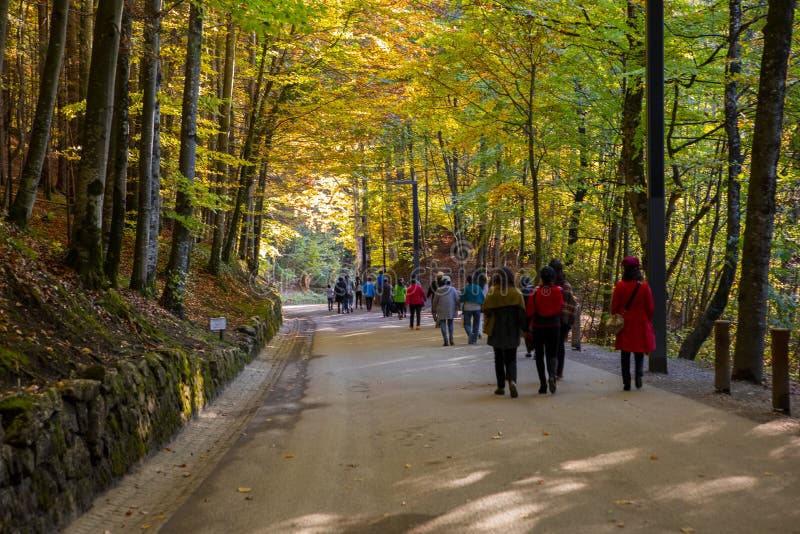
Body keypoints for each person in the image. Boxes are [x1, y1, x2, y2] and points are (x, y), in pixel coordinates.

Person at [611, 256, 655, 391]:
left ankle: (626, 381)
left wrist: (618, 315)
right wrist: (647, 320)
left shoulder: (620, 286)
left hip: (625, 323)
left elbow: (614, 307)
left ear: (625, 270)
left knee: (625, 353)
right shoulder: (644, 286)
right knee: (639, 351)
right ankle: (638, 375)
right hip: (640, 323)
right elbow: (650, 307)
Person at [482, 266, 527, 398]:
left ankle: (500, 386)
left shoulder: (492, 292)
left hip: (496, 329)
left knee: (499, 358)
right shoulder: (517, 293)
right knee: (511, 358)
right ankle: (512, 380)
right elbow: (521, 314)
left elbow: (486, 309)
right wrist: (525, 329)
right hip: (512, 329)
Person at [526, 265, 564, 394]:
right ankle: (552, 376)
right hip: (554, 326)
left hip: (539, 327)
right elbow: (561, 308)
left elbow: (530, 311)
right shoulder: (558, 290)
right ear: (553, 277)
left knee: (540, 355)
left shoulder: (535, 292)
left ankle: (543, 384)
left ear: (541, 277)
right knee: (552, 354)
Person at [549, 259, 579, 378]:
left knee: (552, 345)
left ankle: (553, 369)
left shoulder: (549, 285)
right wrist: (570, 319)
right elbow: (572, 304)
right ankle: (559, 371)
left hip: (552, 319)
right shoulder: (566, 285)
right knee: (560, 345)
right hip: (564, 320)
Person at [432, 275, 460, 346]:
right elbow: (457, 299)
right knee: (450, 324)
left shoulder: (439, 290)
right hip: (451, 309)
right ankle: (451, 339)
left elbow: (435, 301)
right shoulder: (453, 289)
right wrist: (459, 307)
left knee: (443, 324)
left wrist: (434, 310)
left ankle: (446, 341)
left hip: (441, 310)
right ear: (449, 282)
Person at [460, 274, 485, 344]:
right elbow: (483, 298)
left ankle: (470, 334)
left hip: (467, 308)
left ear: (467, 281)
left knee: (466, 324)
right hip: (477, 308)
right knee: (476, 324)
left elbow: (461, 299)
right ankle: (474, 340)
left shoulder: (465, 289)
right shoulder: (478, 288)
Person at [519, 275, 535, 357]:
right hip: (535, 314)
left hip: (526, 314)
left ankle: (529, 351)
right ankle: (536, 351)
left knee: (526, 332)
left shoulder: (522, 291)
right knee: (535, 332)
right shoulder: (536, 289)